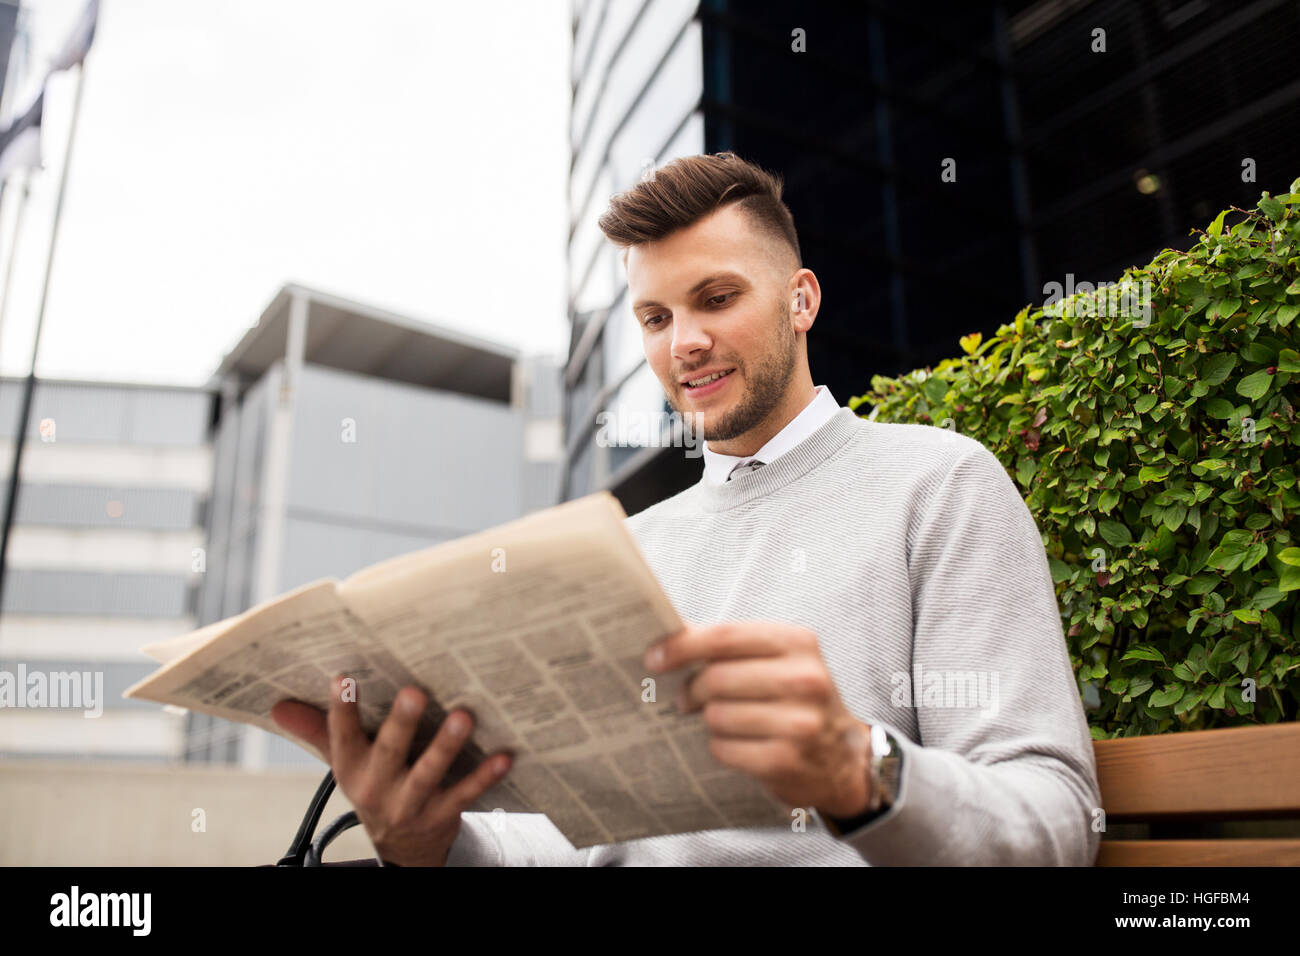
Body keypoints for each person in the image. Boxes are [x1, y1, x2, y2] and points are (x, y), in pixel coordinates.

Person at [272, 151, 1101, 866]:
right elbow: (575, 846)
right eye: (656, 317)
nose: (683, 344)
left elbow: (1058, 823)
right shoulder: (627, 548)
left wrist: (860, 769)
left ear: (801, 300)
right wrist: (432, 844)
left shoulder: (938, 484)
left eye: (716, 299)